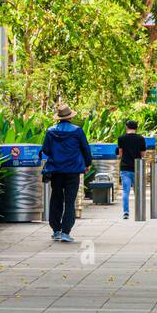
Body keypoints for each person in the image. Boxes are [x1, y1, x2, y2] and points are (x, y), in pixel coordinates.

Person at [40, 102, 93, 243]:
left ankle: (56, 230)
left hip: (56, 170)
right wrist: (87, 163)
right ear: (70, 117)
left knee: (56, 199)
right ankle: (66, 232)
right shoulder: (77, 131)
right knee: (70, 201)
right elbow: (85, 149)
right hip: (73, 171)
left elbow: (46, 150)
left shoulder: (51, 131)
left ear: (58, 118)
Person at [116, 119, 147, 220]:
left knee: (126, 191)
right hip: (137, 168)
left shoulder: (121, 138)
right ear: (136, 128)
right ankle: (139, 211)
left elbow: (120, 153)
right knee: (138, 191)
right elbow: (143, 154)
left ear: (127, 127)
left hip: (125, 167)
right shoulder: (141, 139)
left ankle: (126, 212)